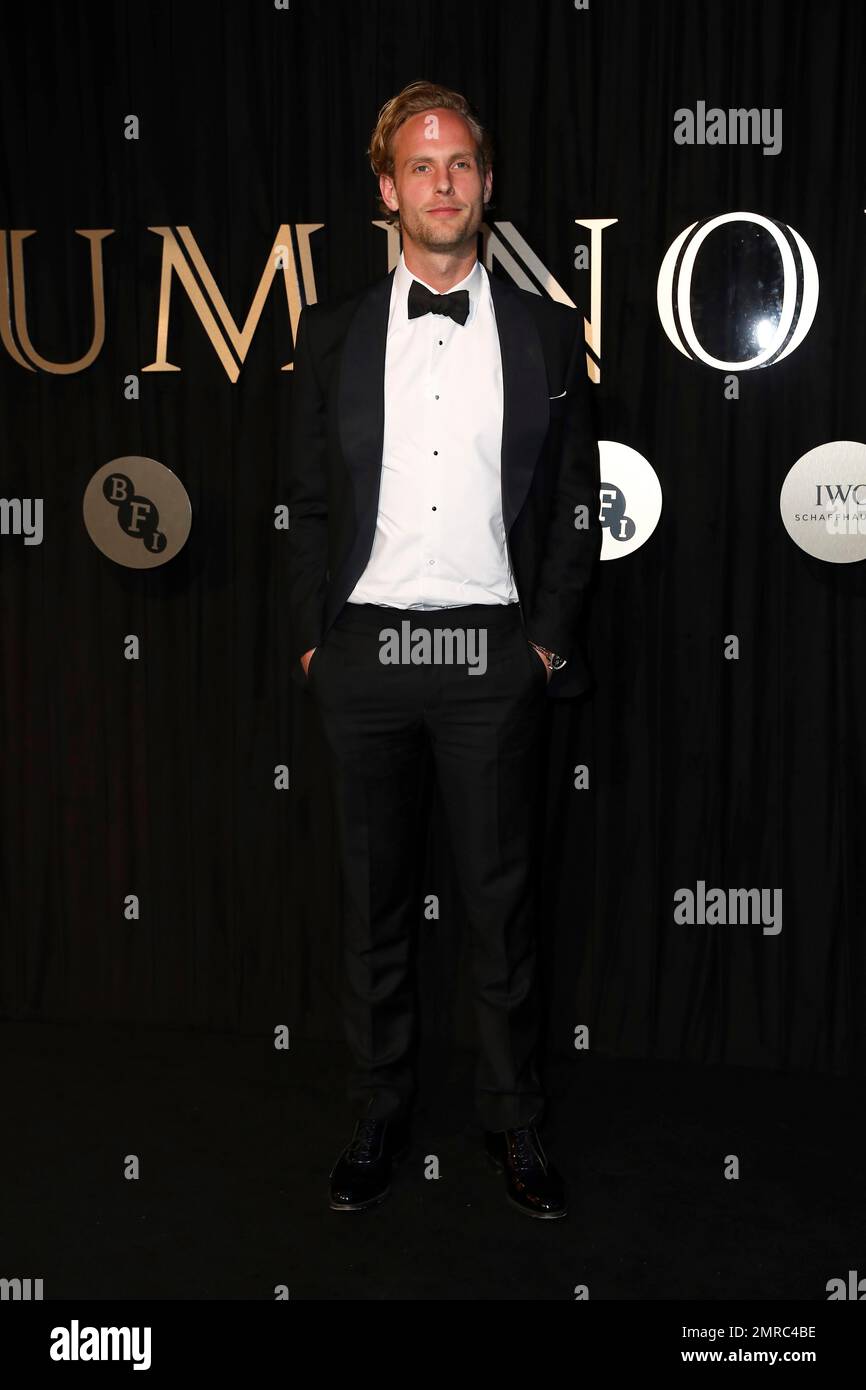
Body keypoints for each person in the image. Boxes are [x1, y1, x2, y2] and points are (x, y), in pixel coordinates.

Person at [288, 79, 601, 1219]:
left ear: (483, 183)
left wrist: (545, 645)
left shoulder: (540, 331)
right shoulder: (330, 334)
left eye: (460, 163)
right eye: (420, 166)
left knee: (498, 903)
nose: (442, 183)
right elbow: (308, 502)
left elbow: (573, 503)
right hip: (364, 654)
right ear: (387, 189)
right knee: (371, 900)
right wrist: (318, 645)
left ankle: (513, 1123)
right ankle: (379, 1108)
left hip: (488, 660)